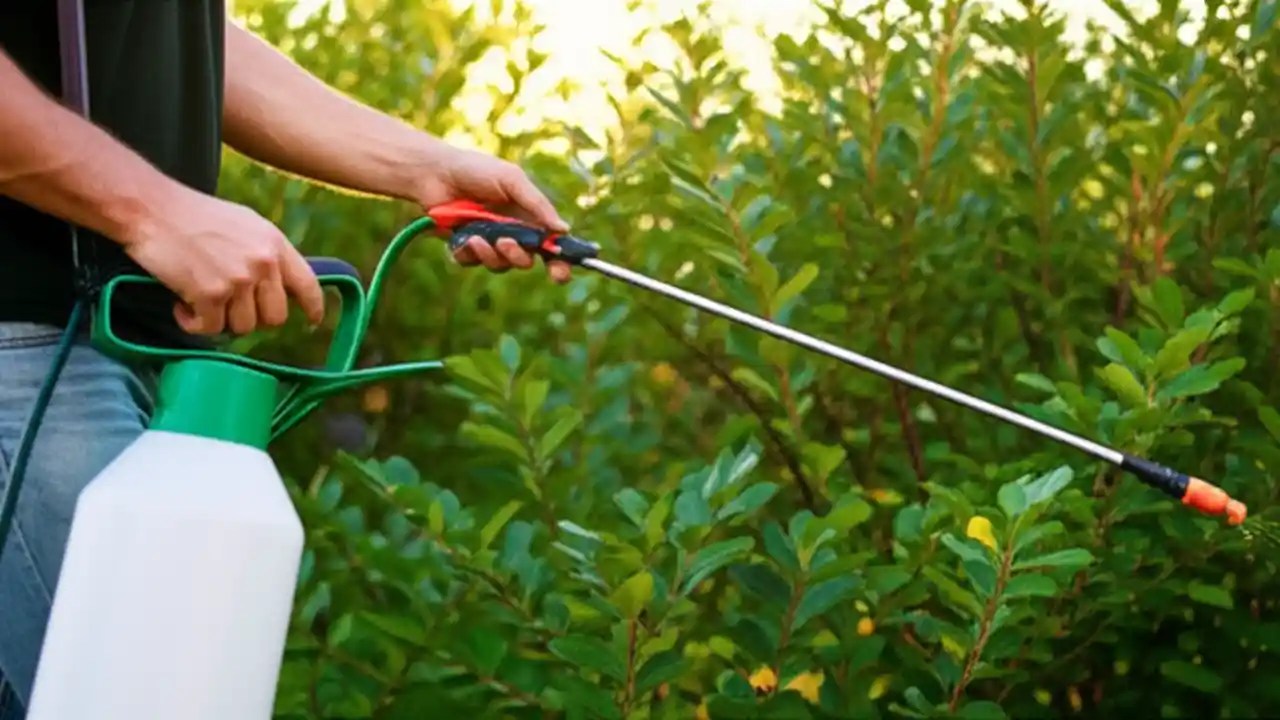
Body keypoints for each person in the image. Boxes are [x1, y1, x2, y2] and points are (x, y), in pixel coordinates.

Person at [0, 3, 571, 716]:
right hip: (26, 350)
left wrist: (423, 166)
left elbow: (173, 39)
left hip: (130, 355)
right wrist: (153, 212)